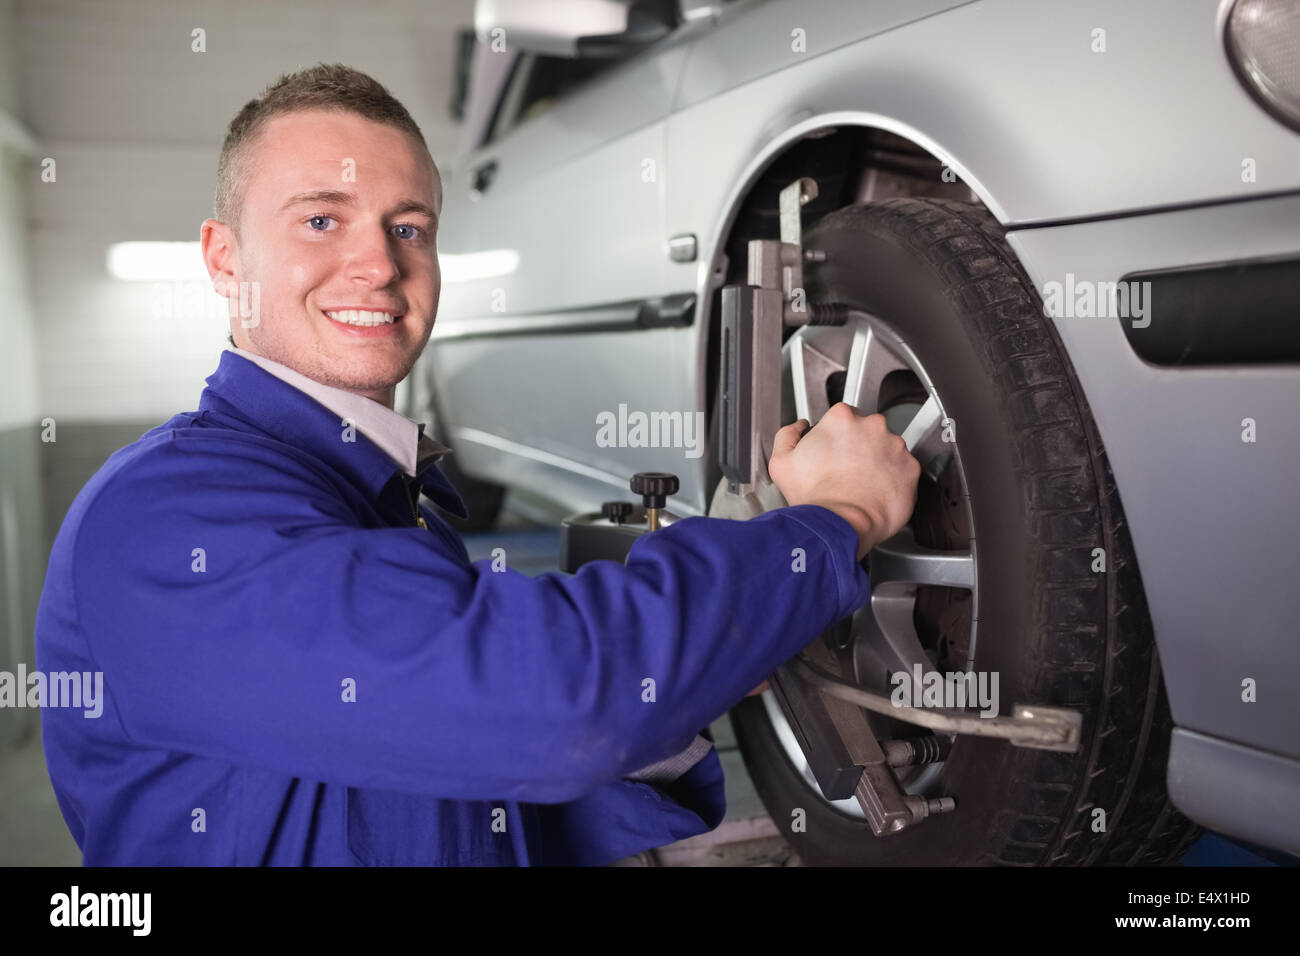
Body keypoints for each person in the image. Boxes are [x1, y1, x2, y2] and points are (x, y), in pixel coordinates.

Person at [35, 64, 920, 866]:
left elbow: (478, 799)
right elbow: (546, 707)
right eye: (320, 220)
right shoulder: (164, 513)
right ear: (224, 261)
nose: (379, 263)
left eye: (408, 227)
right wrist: (831, 523)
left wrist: (704, 651)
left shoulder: (370, 497)